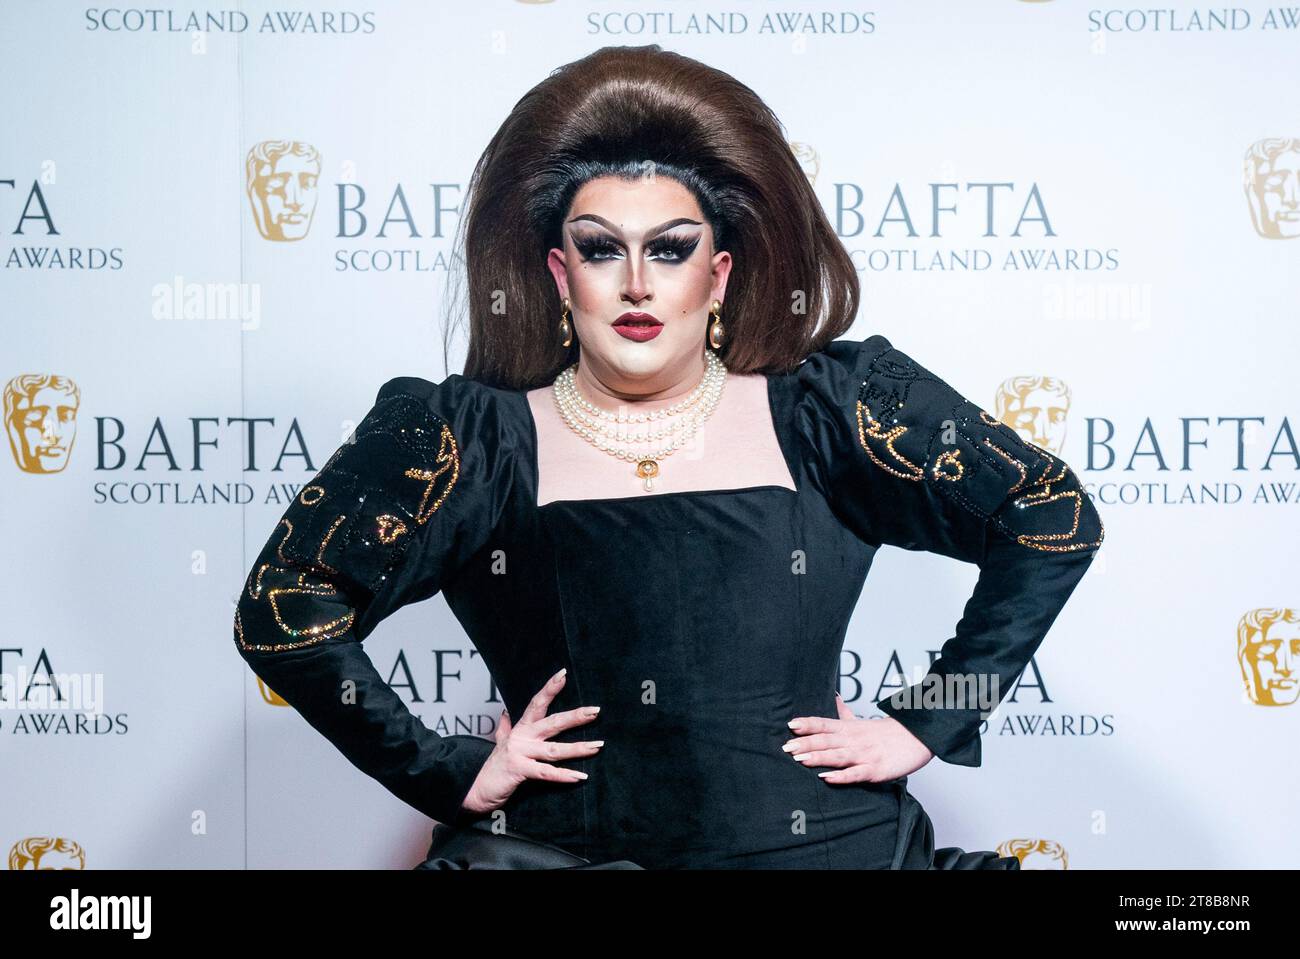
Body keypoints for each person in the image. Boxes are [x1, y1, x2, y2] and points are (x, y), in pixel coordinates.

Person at [232, 44, 1104, 870]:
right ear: (557, 273)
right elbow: (284, 609)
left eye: (671, 248)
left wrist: (929, 719)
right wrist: (445, 768)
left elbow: (1050, 515)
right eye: (601, 247)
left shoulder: (831, 412)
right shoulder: (470, 437)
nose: (637, 283)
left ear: (718, 274)